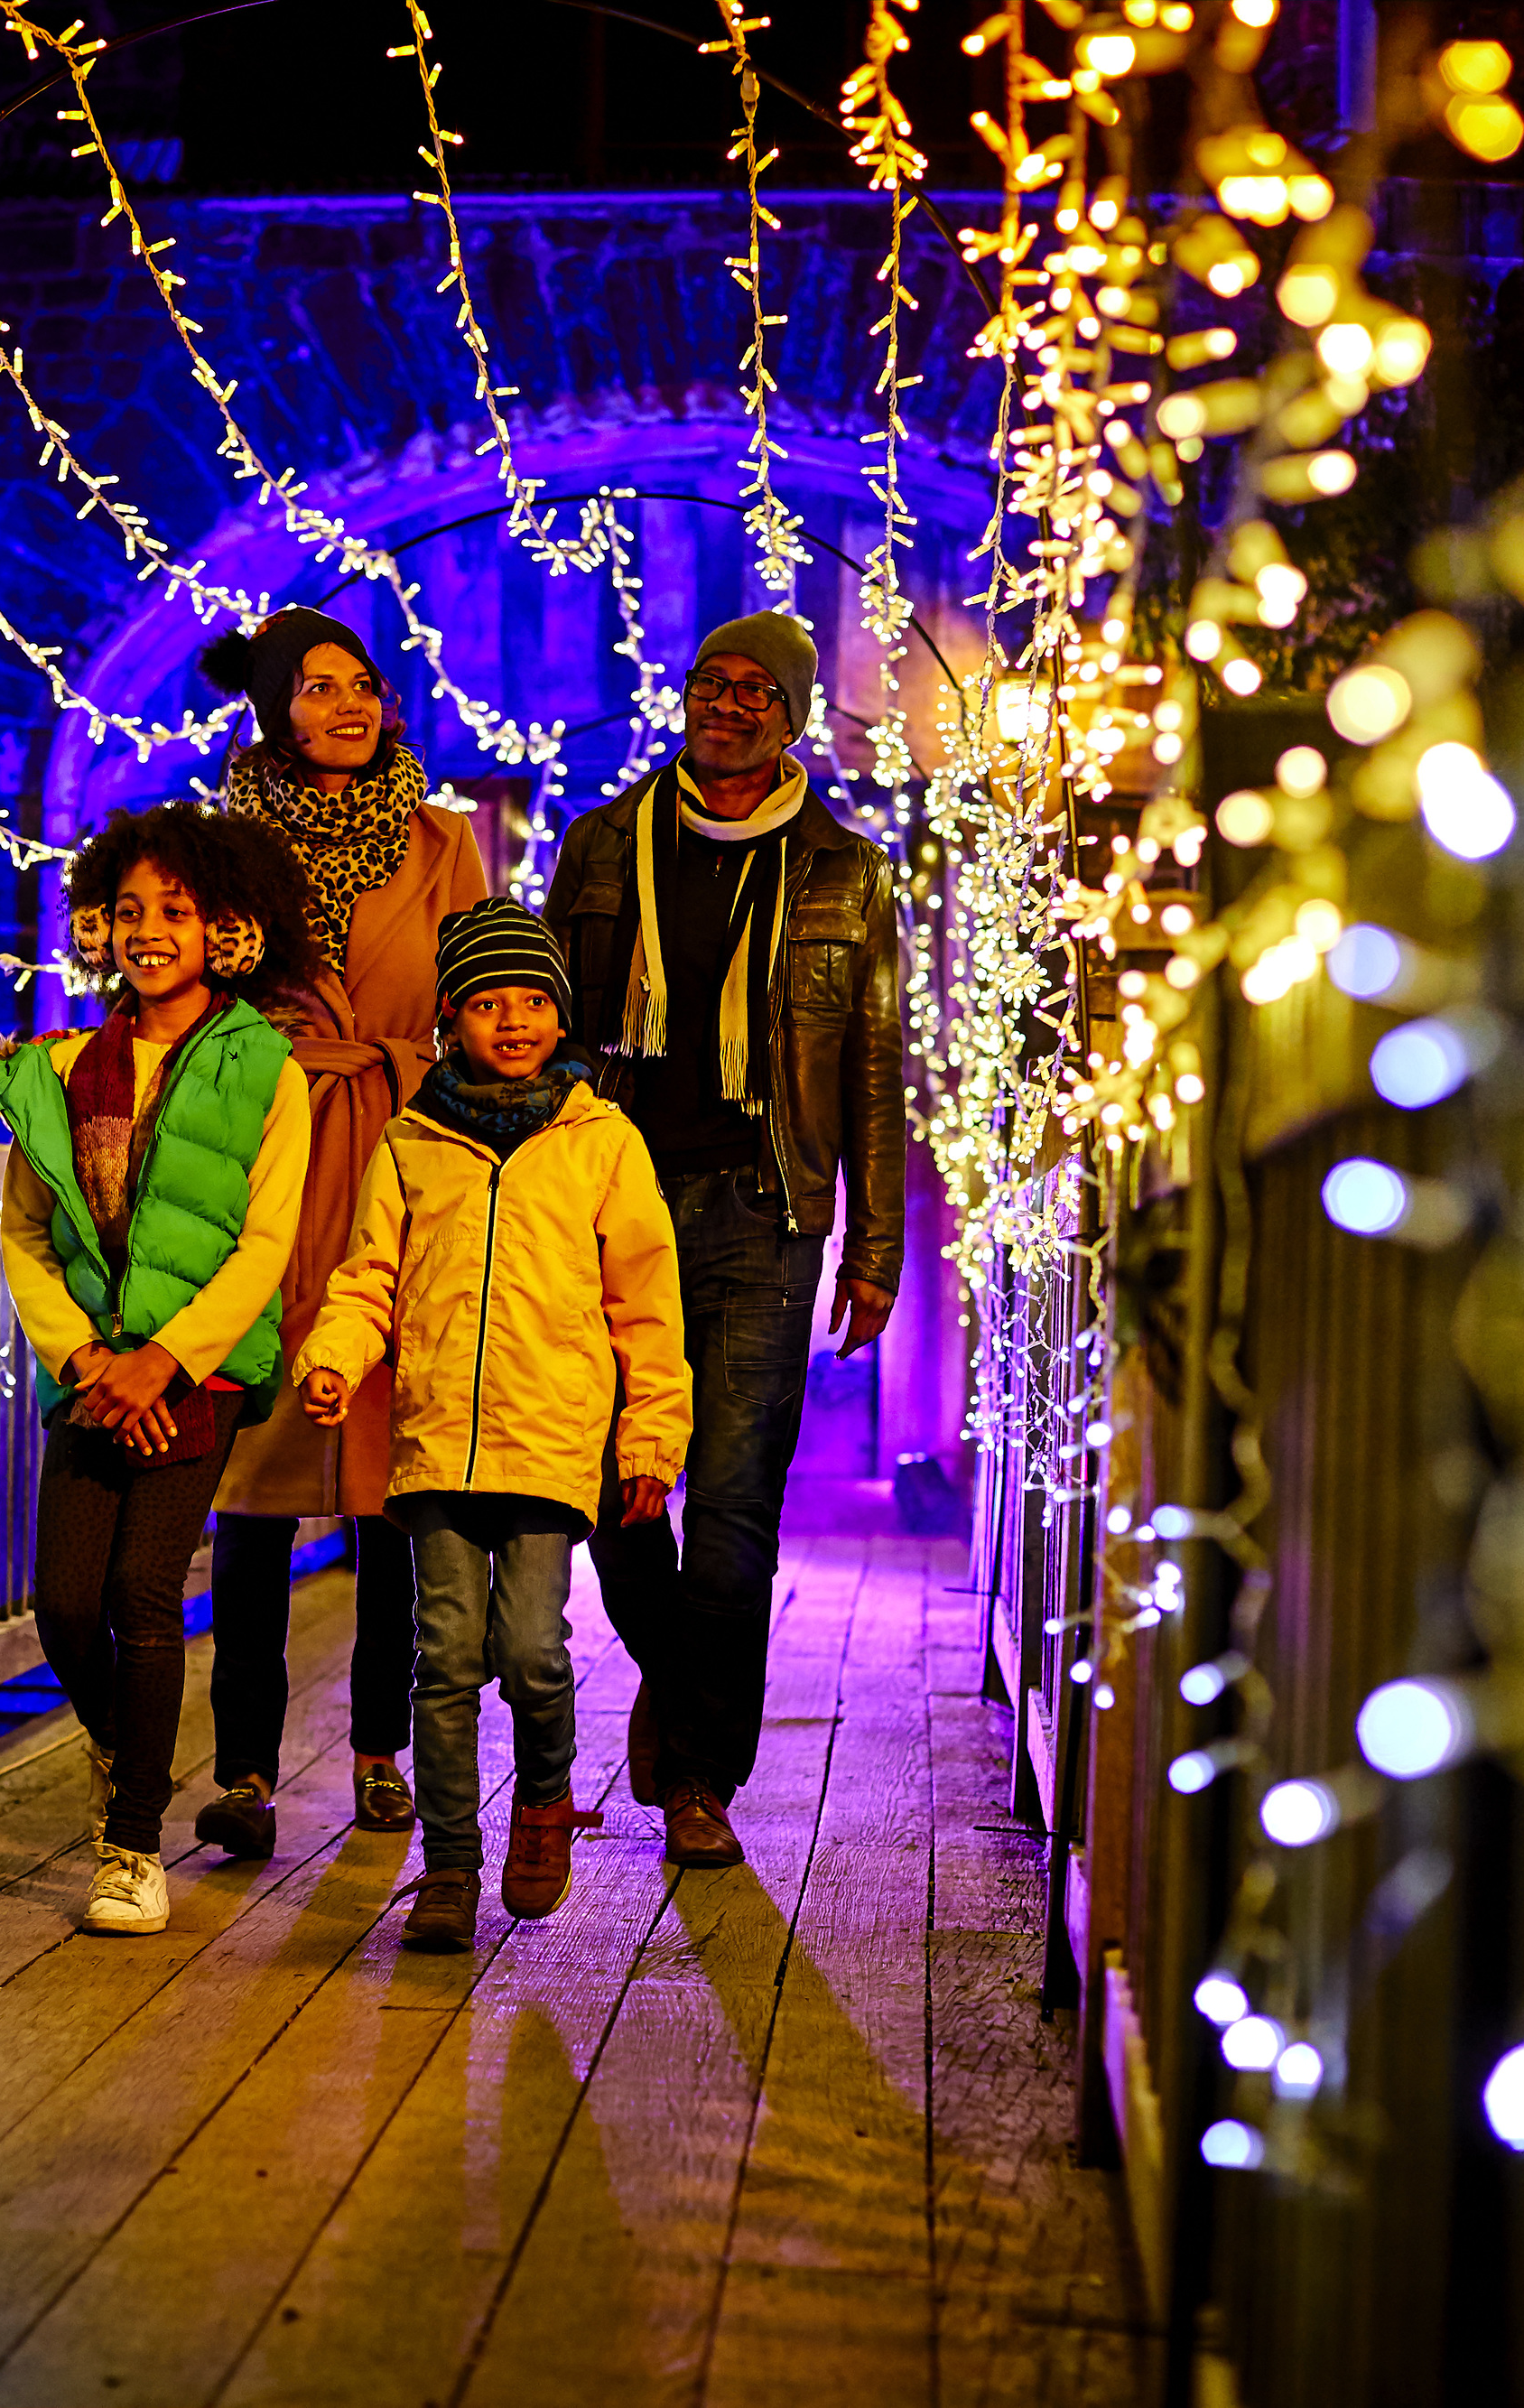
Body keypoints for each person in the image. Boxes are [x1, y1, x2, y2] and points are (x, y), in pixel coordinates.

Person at [540, 611, 909, 1871]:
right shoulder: (603, 843)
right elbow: (546, 1024)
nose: (730, 704)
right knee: (610, 1481)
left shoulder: (847, 872)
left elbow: (873, 1070)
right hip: (613, 1201)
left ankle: (700, 1776)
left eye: (759, 690)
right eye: (713, 681)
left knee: (736, 1497)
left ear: (793, 718)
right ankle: (685, 1676)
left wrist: (875, 1247)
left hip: (764, 1205)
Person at [300, 898, 691, 1952]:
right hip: (435, 1443)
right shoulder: (412, 1141)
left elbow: (645, 1304)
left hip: (550, 1441)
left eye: (530, 1001)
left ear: (559, 1017)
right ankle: (449, 1869)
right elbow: (368, 1275)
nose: (511, 1020)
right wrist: (335, 1357)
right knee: (444, 1660)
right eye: (485, 1003)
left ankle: (544, 1801)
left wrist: (650, 1442)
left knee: (530, 1651)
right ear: (450, 1021)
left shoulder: (599, 1142)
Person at [0, 804, 321, 1937]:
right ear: (98, 928)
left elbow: (266, 1243)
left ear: (226, 929)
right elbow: (27, 1233)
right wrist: (86, 1357)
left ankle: (130, 1849)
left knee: (141, 1594)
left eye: (176, 910)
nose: (150, 930)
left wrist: (164, 1359)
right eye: (129, 911)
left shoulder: (269, 1073)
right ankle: (128, 1752)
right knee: (65, 1604)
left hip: (195, 1376)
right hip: (89, 1372)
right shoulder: (60, 1071)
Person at [194, 604, 491, 1858]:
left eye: (361, 682)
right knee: (252, 1488)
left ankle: (381, 1750)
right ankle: (247, 1769)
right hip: (261, 1160)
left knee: (391, 1488)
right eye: (317, 687)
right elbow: (179, 998)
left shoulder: (440, 839)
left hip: (401, 1157)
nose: (349, 703)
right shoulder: (221, 848)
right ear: (274, 708)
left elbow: (479, 1000)